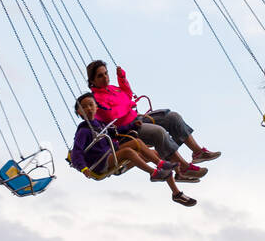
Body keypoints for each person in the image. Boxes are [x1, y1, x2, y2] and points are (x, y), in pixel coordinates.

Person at [85, 60, 220, 181]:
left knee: (173, 117)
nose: (105, 78)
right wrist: (127, 105)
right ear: (92, 81)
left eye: (106, 73)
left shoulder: (113, 89)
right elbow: (112, 115)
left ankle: (198, 153)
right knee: (158, 133)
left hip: (138, 119)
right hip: (127, 130)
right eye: (100, 76)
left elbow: (127, 94)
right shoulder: (95, 99)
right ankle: (184, 167)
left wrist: (122, 78)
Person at [71, 94, 197, 207]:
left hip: (111, 153)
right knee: (129, 152)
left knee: (146, 148)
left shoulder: (100, 124)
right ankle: (153, 172)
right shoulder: (83, 131)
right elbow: (77, 151)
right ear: (79, 112)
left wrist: (132, 125)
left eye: (91, 105)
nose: (88, 108)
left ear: (96, 107)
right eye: (84, 107)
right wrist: (83, 168)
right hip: (101, 162)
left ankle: (176, 192)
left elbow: (116, 132)